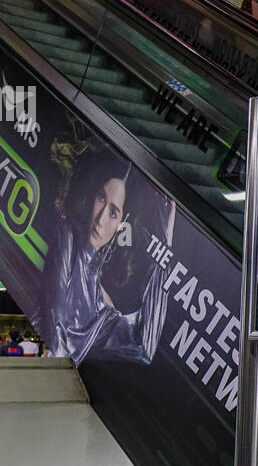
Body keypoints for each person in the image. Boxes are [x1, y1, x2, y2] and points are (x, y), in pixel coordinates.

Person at [43, 151, 174, 364]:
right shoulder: (68, 234)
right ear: (92, 195)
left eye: (113, 213)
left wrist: (164, 249)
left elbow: (145, 346)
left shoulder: (102, 306)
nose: (101, 219)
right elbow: (55, 318)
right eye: (101, 197)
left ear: (121, 224)